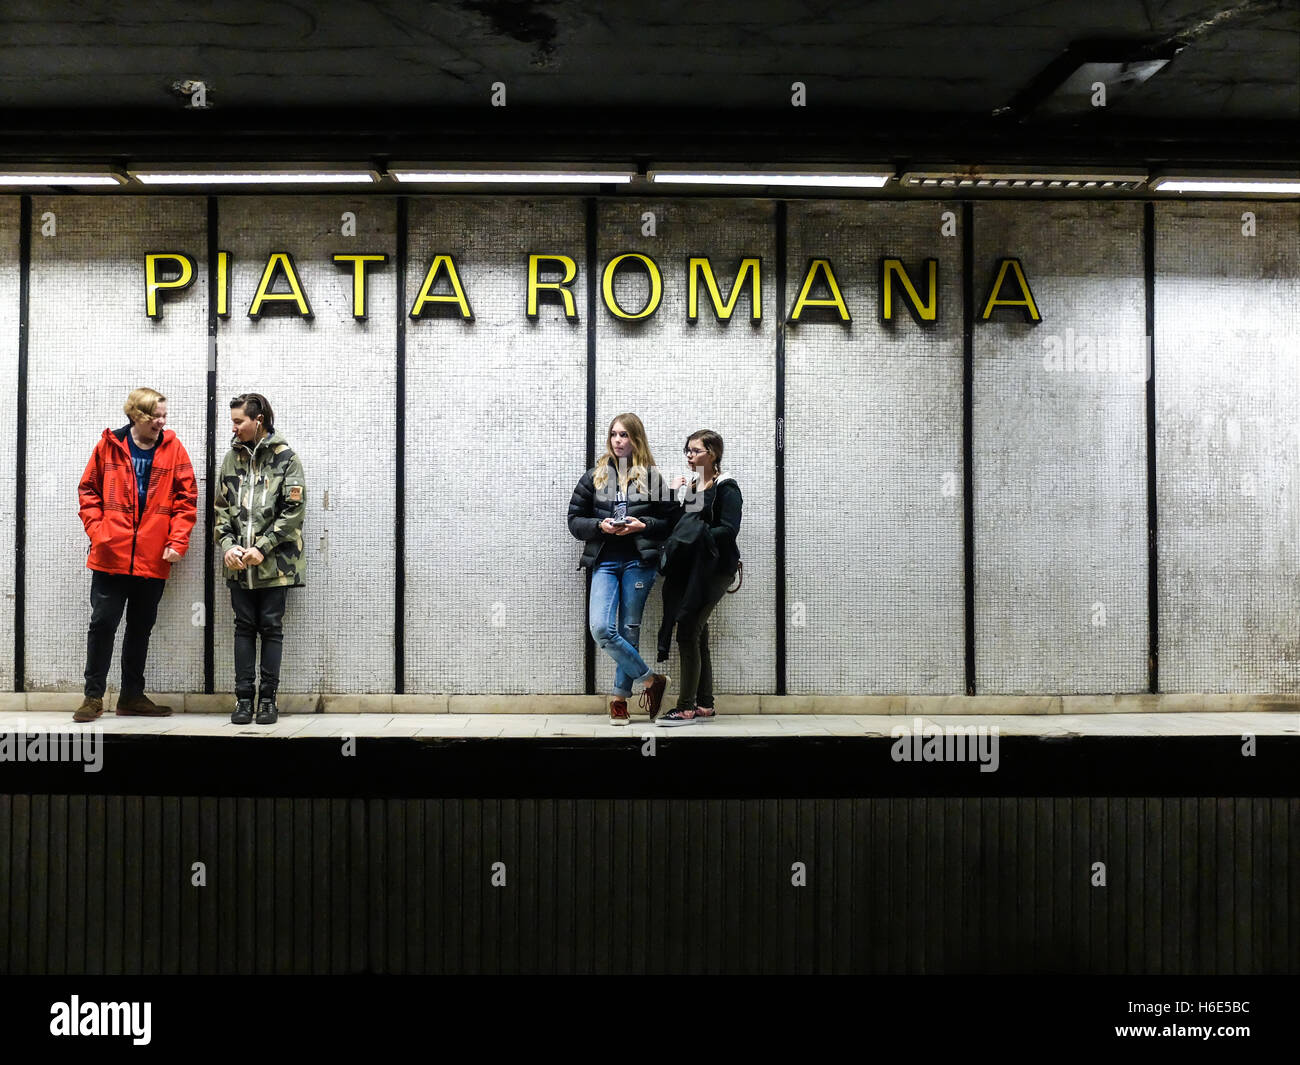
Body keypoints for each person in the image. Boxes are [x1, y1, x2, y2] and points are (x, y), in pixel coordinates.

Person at [73, 388, 197, 722]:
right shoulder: (108, 446)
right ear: (135, 417)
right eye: (155, 416)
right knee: (102, 624)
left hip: (153, 557)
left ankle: (131, 696)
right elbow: (88, 491)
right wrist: (100, 533)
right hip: (110, 555)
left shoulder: (173, 450)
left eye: (163, 416)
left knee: (140, 627)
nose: (161, 422)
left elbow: (187, 500)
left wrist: (177, 541)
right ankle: (93, 697)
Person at [567, 413, 674, 725]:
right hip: (605, 561)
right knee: (601, 628)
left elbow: (671, 521)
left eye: (625, 435)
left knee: (630, 629)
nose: (618, 440)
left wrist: (643, 525)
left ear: (636, 439)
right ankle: (651, 680)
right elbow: (574, 520)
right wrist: (599, 525)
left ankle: (619, 700)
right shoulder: (594, 477)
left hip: (639, 563)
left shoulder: (651, 478)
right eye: (614, 434)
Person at [213, 393, 306, 725]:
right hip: (239, 564)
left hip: (275, 565)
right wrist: (227, 545)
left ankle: (267, 700)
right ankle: (242, 699)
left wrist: (262, 547)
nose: (234, 428)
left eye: (239, 421)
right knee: (242, 627)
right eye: (233, 422)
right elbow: (221, 510)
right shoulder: (230, 459)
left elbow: (293, 512)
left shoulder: (286, 459)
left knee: (271, 628)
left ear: (259, 420)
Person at [655, 429, 742, 726]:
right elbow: (683, 524)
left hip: (715, 570)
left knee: (687, 631)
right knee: (698, 634)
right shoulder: (694, 485)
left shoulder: (726, 487)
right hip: (694, 570)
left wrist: (698, 536)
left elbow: (729, 529)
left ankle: (686, 707)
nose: (689, 456)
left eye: (695, 451)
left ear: (712, 454)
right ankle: (705, 705)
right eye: (687, 451)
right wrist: (671, 494)